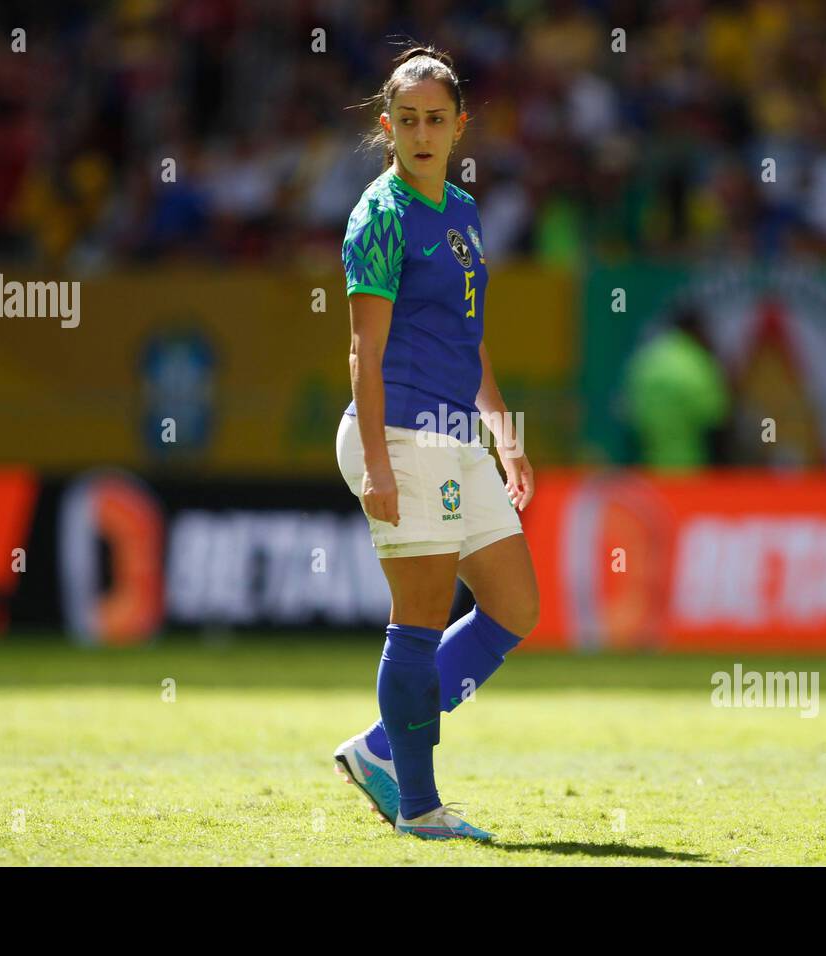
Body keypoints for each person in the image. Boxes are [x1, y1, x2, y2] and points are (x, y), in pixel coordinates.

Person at [332, 45, 540, 841]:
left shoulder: (463, 212)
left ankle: (382, 750)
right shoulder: (380, 217)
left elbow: (468, 339)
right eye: (408, 121)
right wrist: (379, 462)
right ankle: (418, 806)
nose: (422, 134)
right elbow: (363, 352)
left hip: (457, 435)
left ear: (460, 125)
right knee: (416, 621)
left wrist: (504, 432)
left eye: (436, 119)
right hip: (401, 433)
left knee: (517, 605)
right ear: (389, 128)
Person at [623, 300, 730, 469]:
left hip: (650, 466)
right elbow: (715, 418)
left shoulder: (647, 359)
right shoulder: (697, 363)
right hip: (689, 468)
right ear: (695, 329)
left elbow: (631, 413)